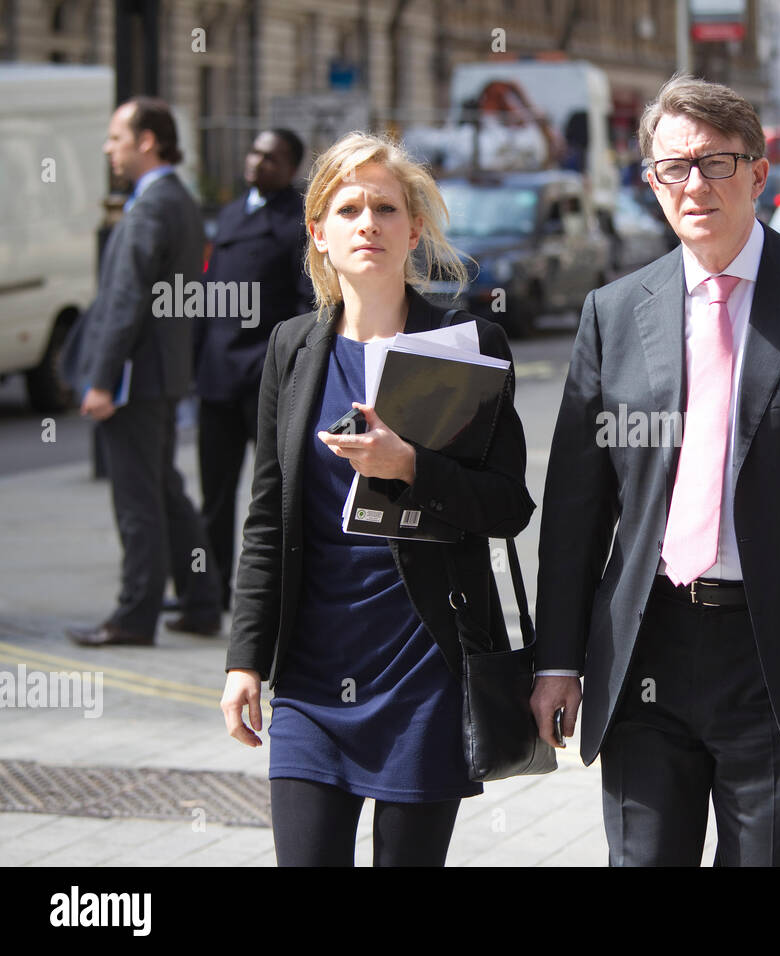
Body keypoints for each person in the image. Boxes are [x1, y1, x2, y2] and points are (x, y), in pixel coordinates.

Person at [530, 75, 780, 866]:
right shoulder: (614, 313)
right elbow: (577, 508)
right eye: (672, 167)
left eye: (716, 162)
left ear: (758, 172)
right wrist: (556, 658)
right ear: (650, 183)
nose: (694, 184)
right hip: (643, 648)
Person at [219, 132, 534, 866]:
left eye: (387, 208)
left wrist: (412, 466)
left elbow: (508, 506)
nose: (369, 223)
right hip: (310, 679)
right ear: (319, 233)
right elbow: (268, 520)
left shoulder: (464, 344)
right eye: (349, 208)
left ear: (414, 229)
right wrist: (245, 660)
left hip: (423, 669)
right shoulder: (293, 349)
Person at [62, 96, 224, 646]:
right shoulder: (175, 198)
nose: (109, 148)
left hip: (135, 378)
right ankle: (202, 602)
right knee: (165, 493)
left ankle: (134, 617)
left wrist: (101, 380)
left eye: (116, 137)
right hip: (160, 374)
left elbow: (128, 300)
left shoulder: (153, 206)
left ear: (146, 141)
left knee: (138, 503)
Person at [193, 128, 314, 613]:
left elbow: (309, 303)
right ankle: (210, 589)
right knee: (215, 495)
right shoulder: (229, 212)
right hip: (219, 376)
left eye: (272, 156)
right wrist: (196, 360)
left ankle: (276, 594)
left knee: (276, 495)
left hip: (265, 379)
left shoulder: (297, 221)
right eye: (255, 151)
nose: (258, 161)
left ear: (290, 167)